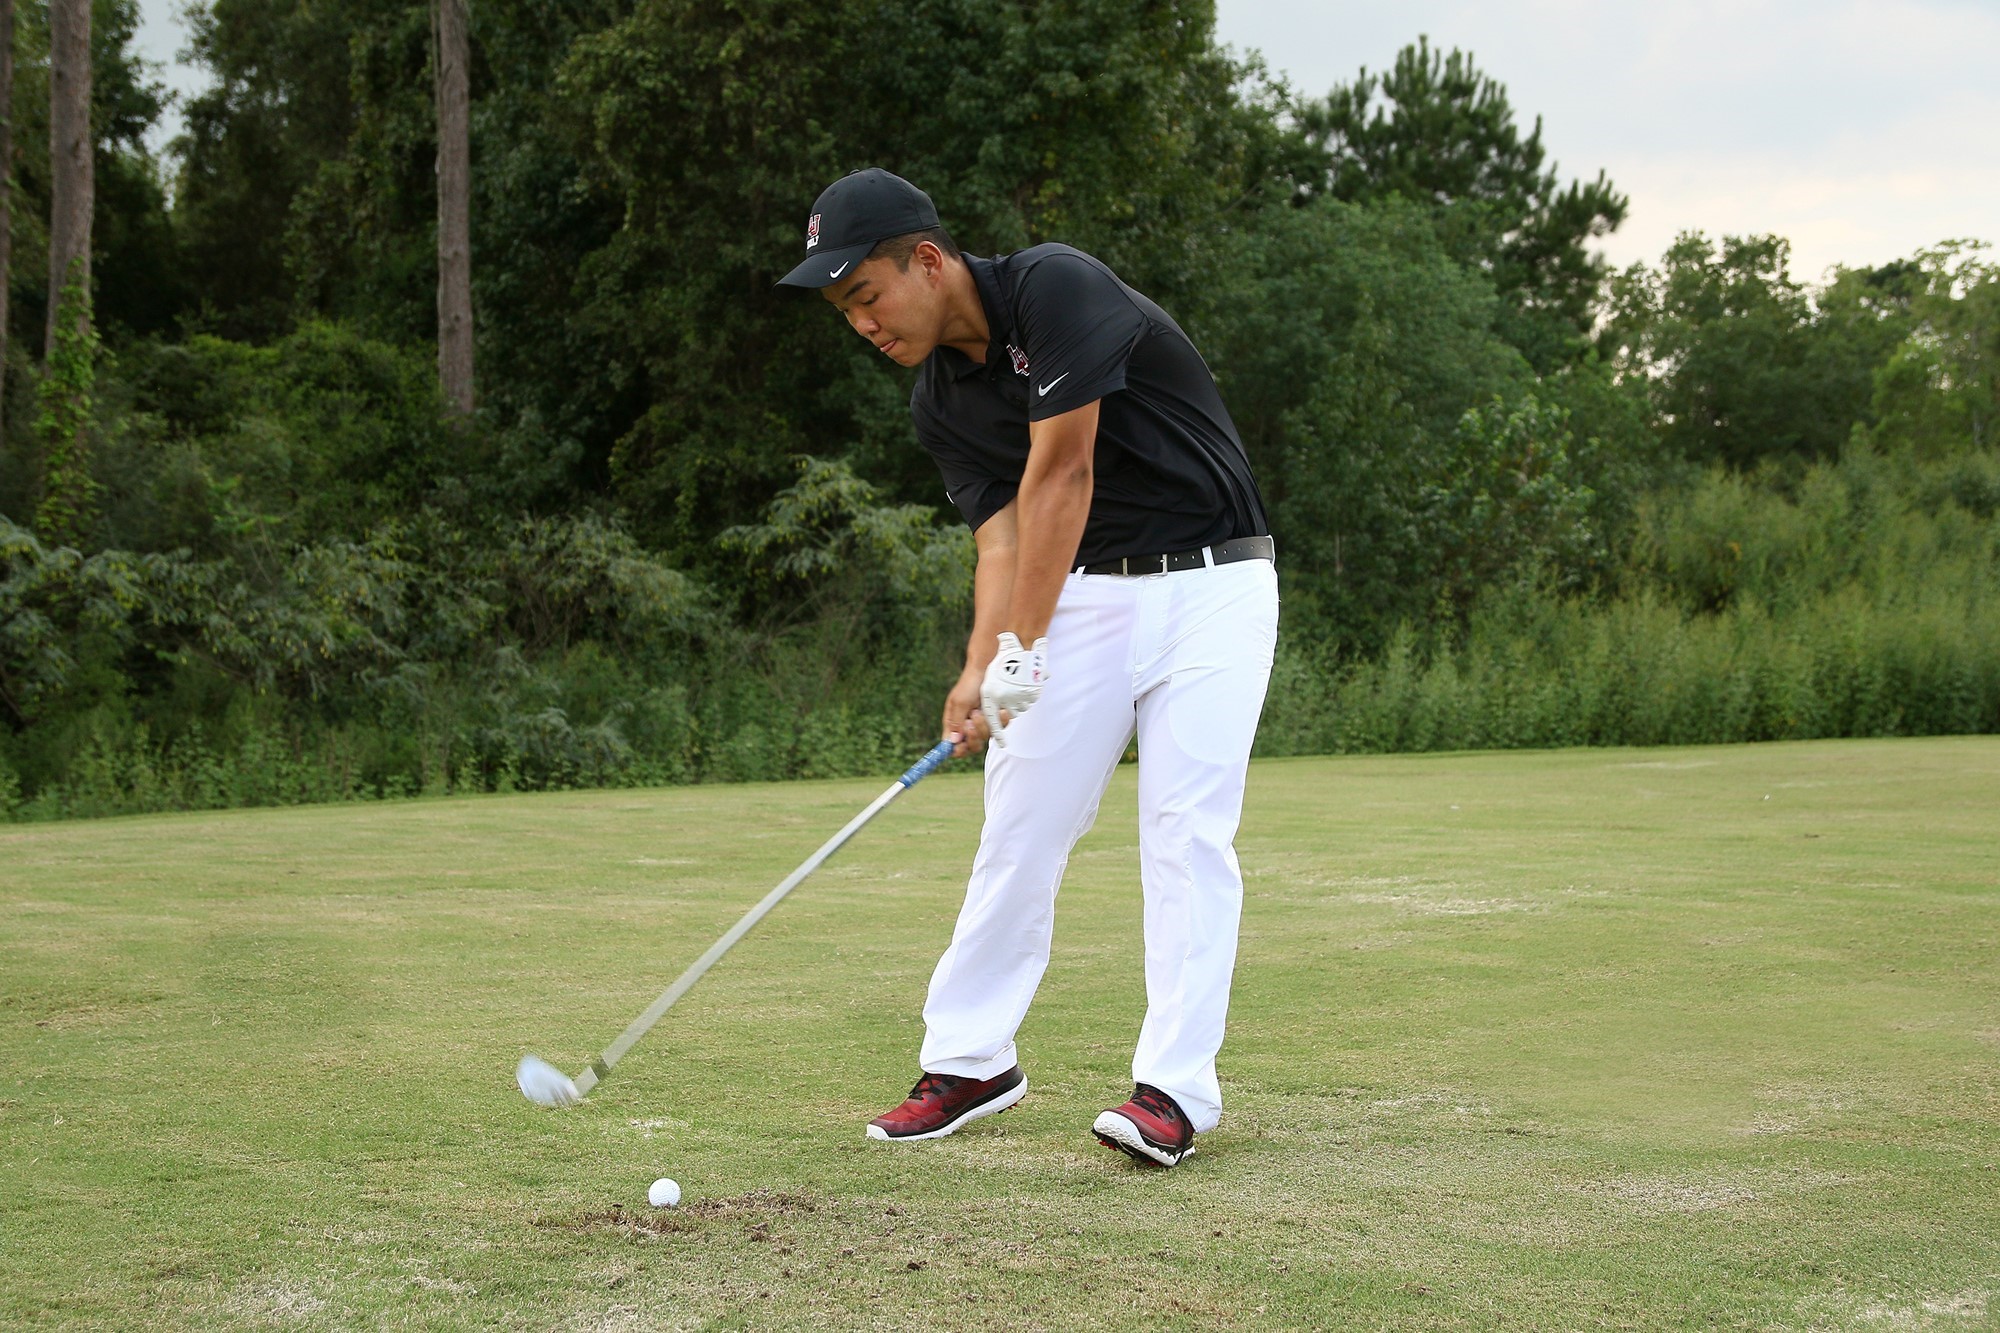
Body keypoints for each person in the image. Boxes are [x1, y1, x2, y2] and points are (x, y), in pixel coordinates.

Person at [777, 168, 1279, 1167]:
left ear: (926, 259)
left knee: (1185, 833)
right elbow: (1002, 543)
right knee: (1020, 822)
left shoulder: (1055, 288)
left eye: (866, 295)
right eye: (844, 313)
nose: (861, 326)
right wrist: (978, 671)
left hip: (1214, 582)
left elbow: (1063, 473)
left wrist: (1021, 647)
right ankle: (970, 1062)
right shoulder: (939, 406)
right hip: (1082, 595)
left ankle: (1173, 1091)